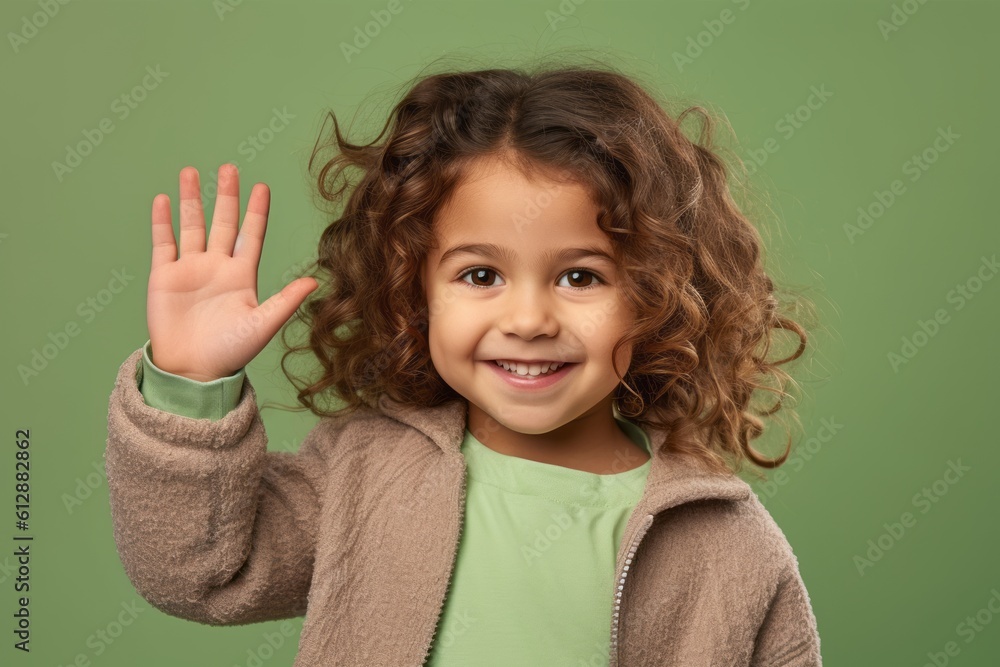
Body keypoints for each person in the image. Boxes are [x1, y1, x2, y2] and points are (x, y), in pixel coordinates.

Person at [105, 60, 822, 666]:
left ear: (657, 295)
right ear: (414, 290)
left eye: (581, 276)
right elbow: (199, 572)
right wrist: (190, 382)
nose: (529, 320)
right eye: (481, 276)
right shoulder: (364, 473)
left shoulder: (726, 543)